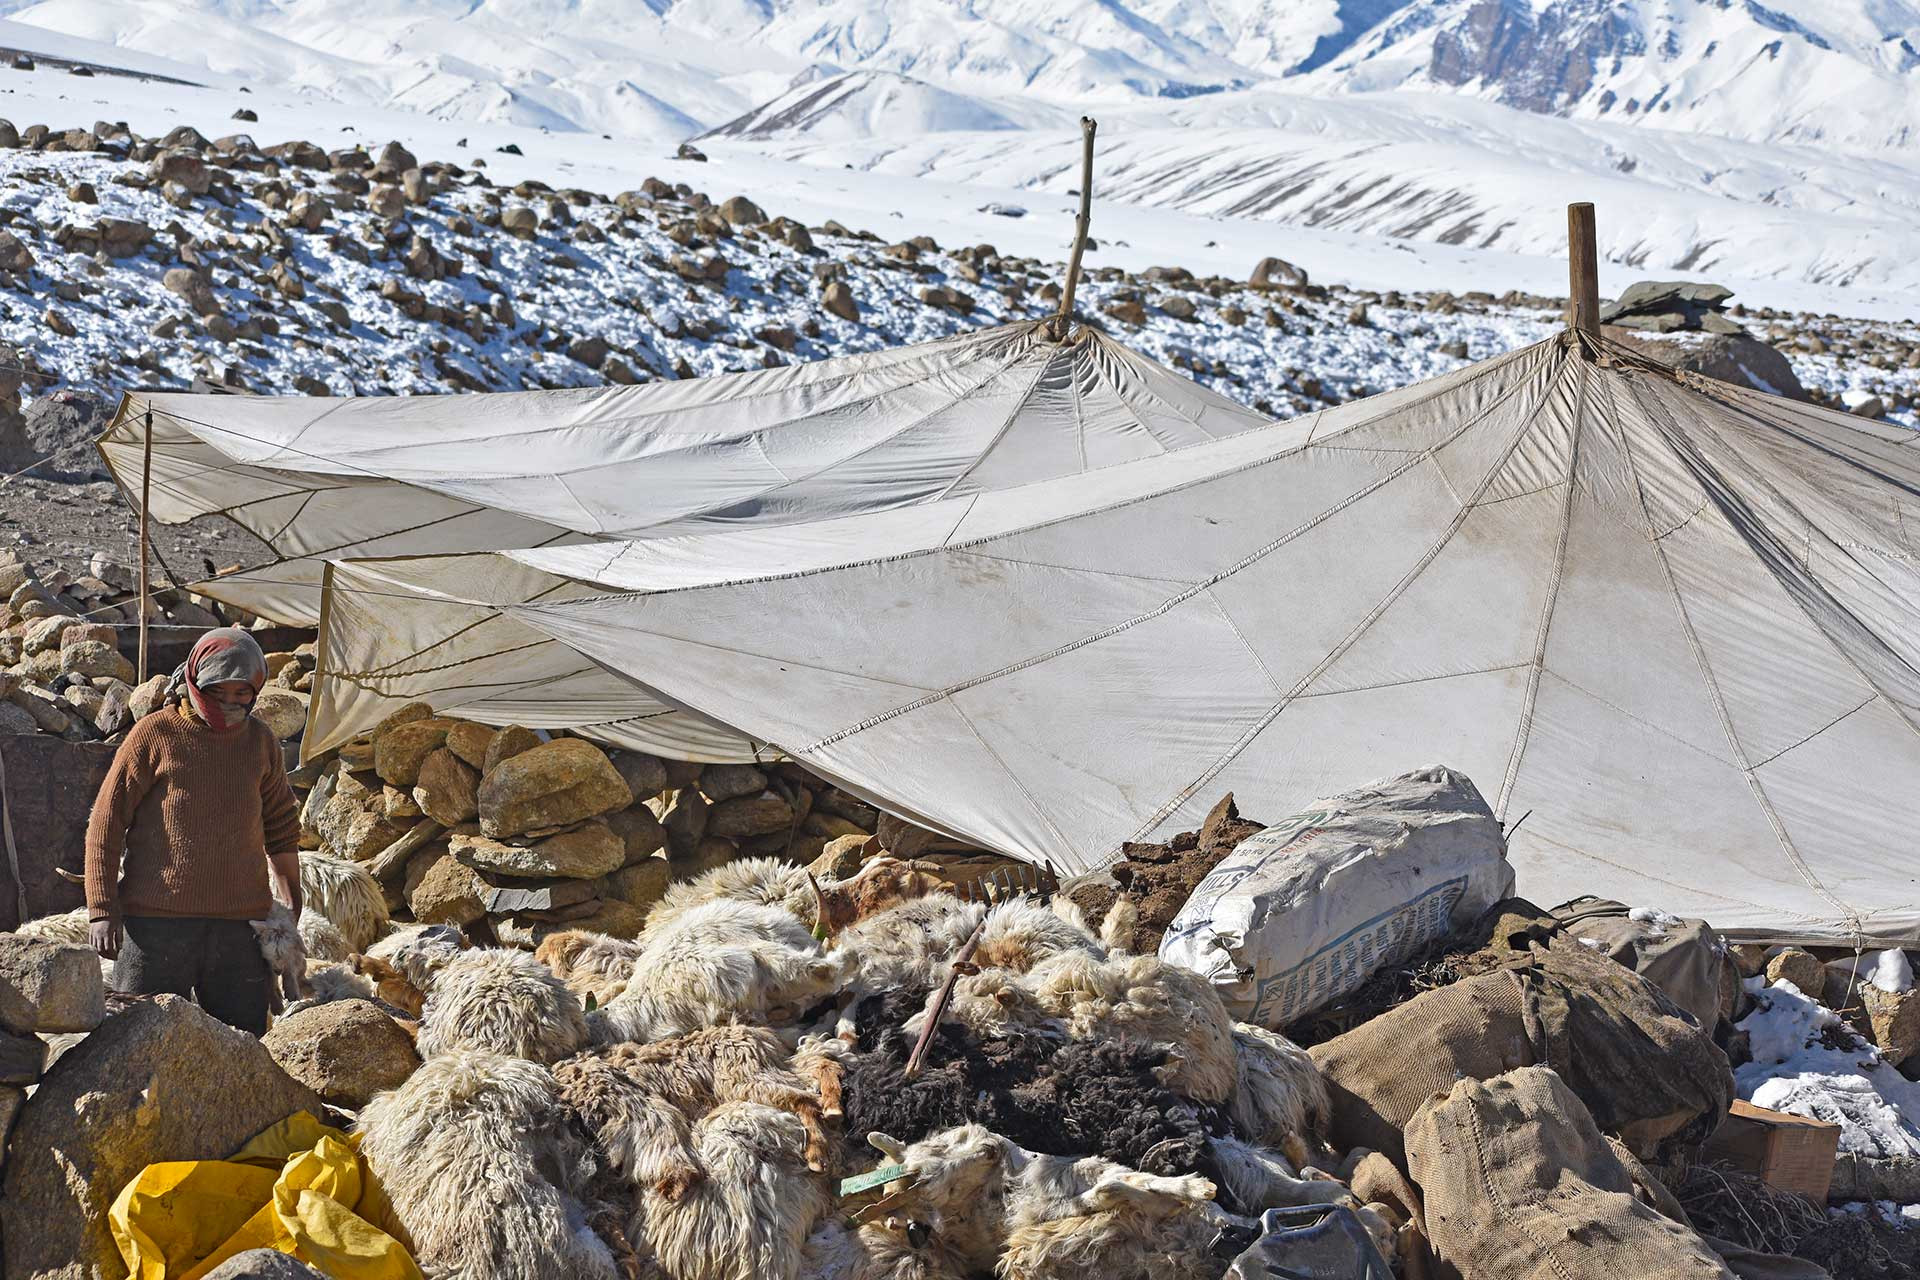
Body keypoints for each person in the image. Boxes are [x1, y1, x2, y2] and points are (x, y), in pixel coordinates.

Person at [84, 627, 303, 1034]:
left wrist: (291, 900)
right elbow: (106, 822)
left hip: (240, 926)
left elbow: (281, 826)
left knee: (241, 1041)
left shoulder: (260, 741)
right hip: (157, 926)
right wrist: (101, 909)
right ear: (196, 680)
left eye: (243, 694)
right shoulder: (156, 734)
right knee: (137, 1037)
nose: (232, 703)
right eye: (220, 692)